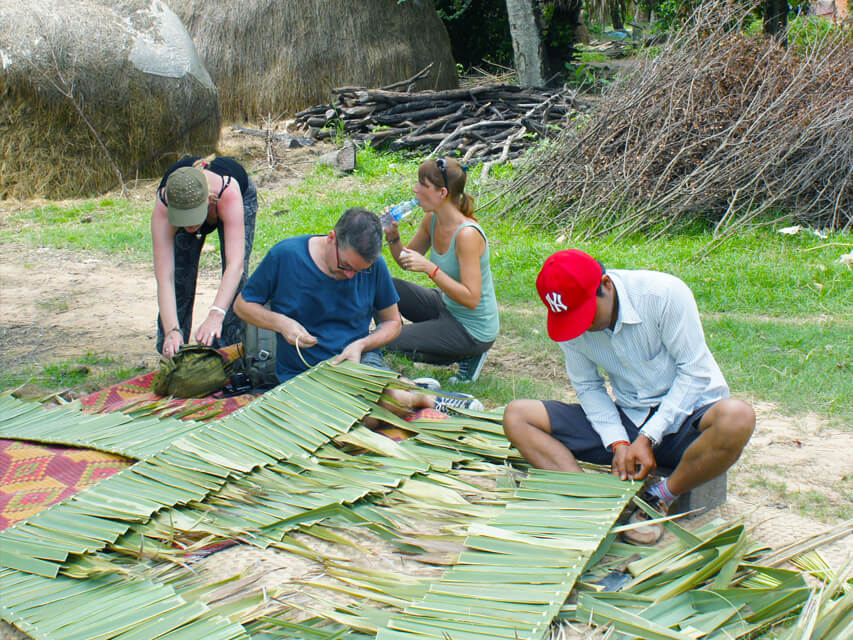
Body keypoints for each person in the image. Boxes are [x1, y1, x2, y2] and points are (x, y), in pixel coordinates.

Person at [502, 249, 755, 544]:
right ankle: (590, 500)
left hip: (687, 418)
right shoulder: (571, 323)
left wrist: (648, 438)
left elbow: (695, 373)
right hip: (628, 419)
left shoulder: (663, 295)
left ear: (606, 285)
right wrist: (618, 442)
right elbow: (588, 386)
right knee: (517, 415)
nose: (580, 327)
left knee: (738, 417)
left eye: (585, 314)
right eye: (571, 319)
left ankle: (658, 498)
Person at [233, 208, 482, 413]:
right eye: (345, 266)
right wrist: (281, 323)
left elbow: (393, 323)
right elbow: (243, 305)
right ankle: (414, 390)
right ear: (332, 238)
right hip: (302, 372)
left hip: (358, 359)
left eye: (359, 271)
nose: (351, 275)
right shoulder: (286, 255)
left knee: (384, 405)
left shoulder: (374, 267)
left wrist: (361, 345)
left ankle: (428, 398)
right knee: (356, 414)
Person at [382, 157, 499, 383]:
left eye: (422, 185)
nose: (415, 189)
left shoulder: (467, 235)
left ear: (442, 192)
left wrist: (431, 269)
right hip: (447, 305)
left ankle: (468, 354)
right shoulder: (431, 219)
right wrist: (393, 236)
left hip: (471, 329)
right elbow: (405, 260)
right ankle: (395, 335)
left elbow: (472, 298)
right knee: (386, 287)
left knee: (385, 342)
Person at [152, 155, 257, 358]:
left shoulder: (228, 192)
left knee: (236, 284)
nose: (189, 226)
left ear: (209, 200)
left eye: (192, 219)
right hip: (188, 203)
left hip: (234, 199)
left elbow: (235, 266)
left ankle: (229, 352)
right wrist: (172, 330)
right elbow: (165, 277)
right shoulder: (165, 202)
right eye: (183, 220)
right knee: (181, 280)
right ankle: (172, 351)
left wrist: (215, 314)